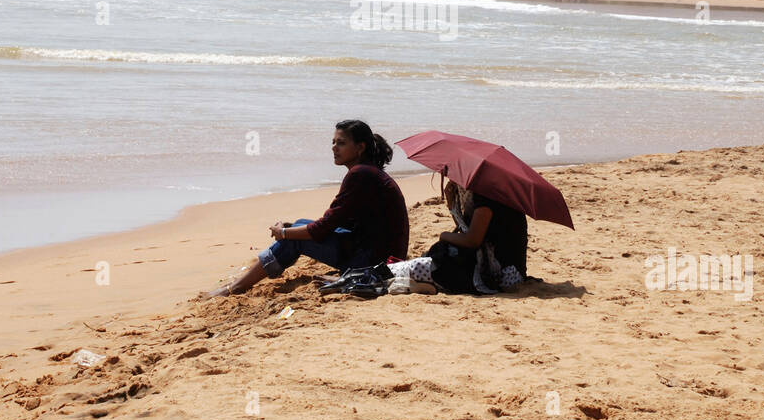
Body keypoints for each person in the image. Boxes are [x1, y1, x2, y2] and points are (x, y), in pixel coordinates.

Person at [205, 120, 409, 296]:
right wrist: (291, 228)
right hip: (380, 257)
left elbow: (322, 229)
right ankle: (244, 280)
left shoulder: (359, 174)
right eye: (333, 142)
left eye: (341, 143)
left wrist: (283, 233)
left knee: (294, 240)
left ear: (360, 147)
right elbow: (340, 221)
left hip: (375, 263)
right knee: (299, 226)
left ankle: (237, 287)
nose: (334, 148)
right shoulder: (367, 172)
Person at [385, 181, 528, 295]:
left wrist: (444, 236)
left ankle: (384, 274)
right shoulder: (487, 191)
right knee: (428, 262)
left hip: (501, 275)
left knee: (425, 265)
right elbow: (466, 230)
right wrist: (452, 204)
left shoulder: (486, 197)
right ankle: (389, 273)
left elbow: (472, 240)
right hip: (492, 265)